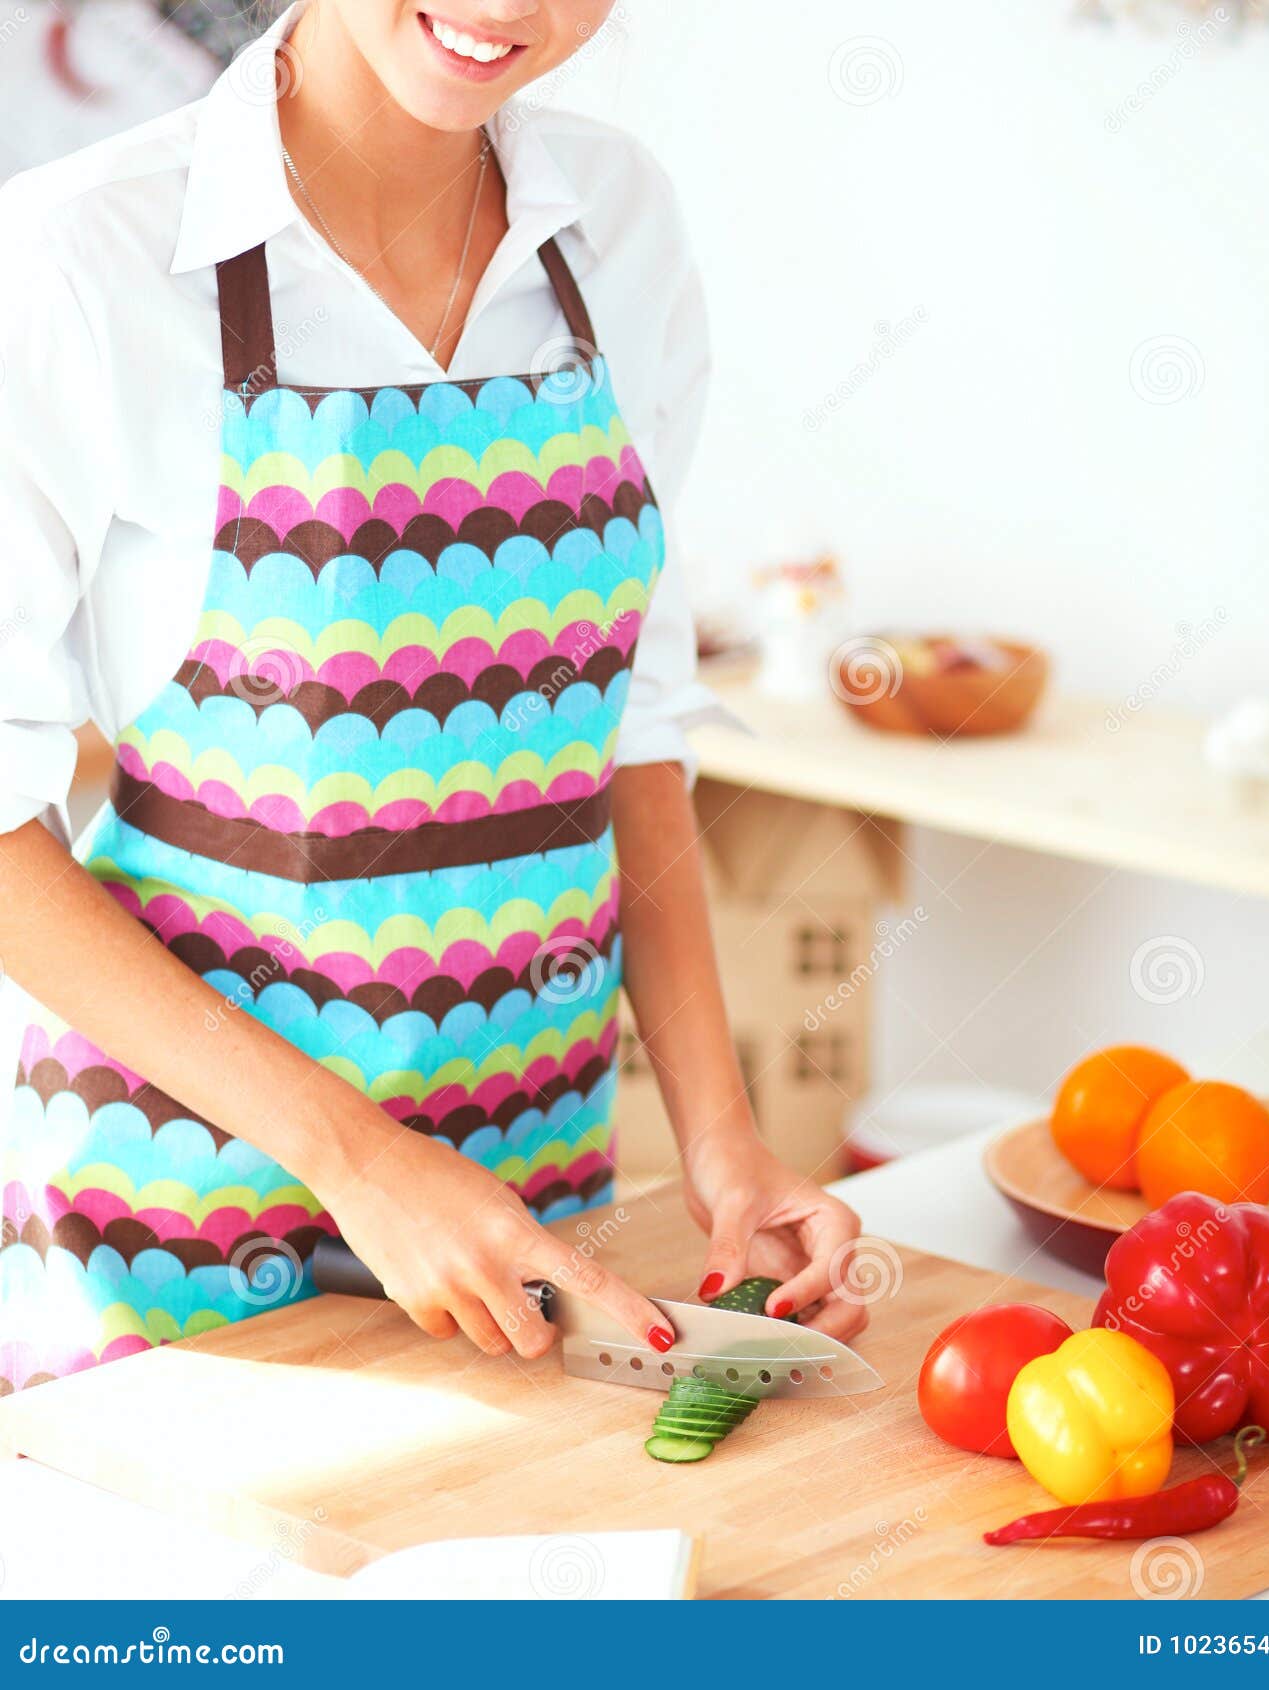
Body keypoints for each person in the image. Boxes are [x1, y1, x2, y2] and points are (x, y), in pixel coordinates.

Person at [0, 0, 866, 1395]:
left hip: (523, 1205)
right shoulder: (78, 261)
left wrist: (722, 1141)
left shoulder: (618, 227)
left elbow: (627, 739)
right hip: (176, 1226)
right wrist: (358, 1159)